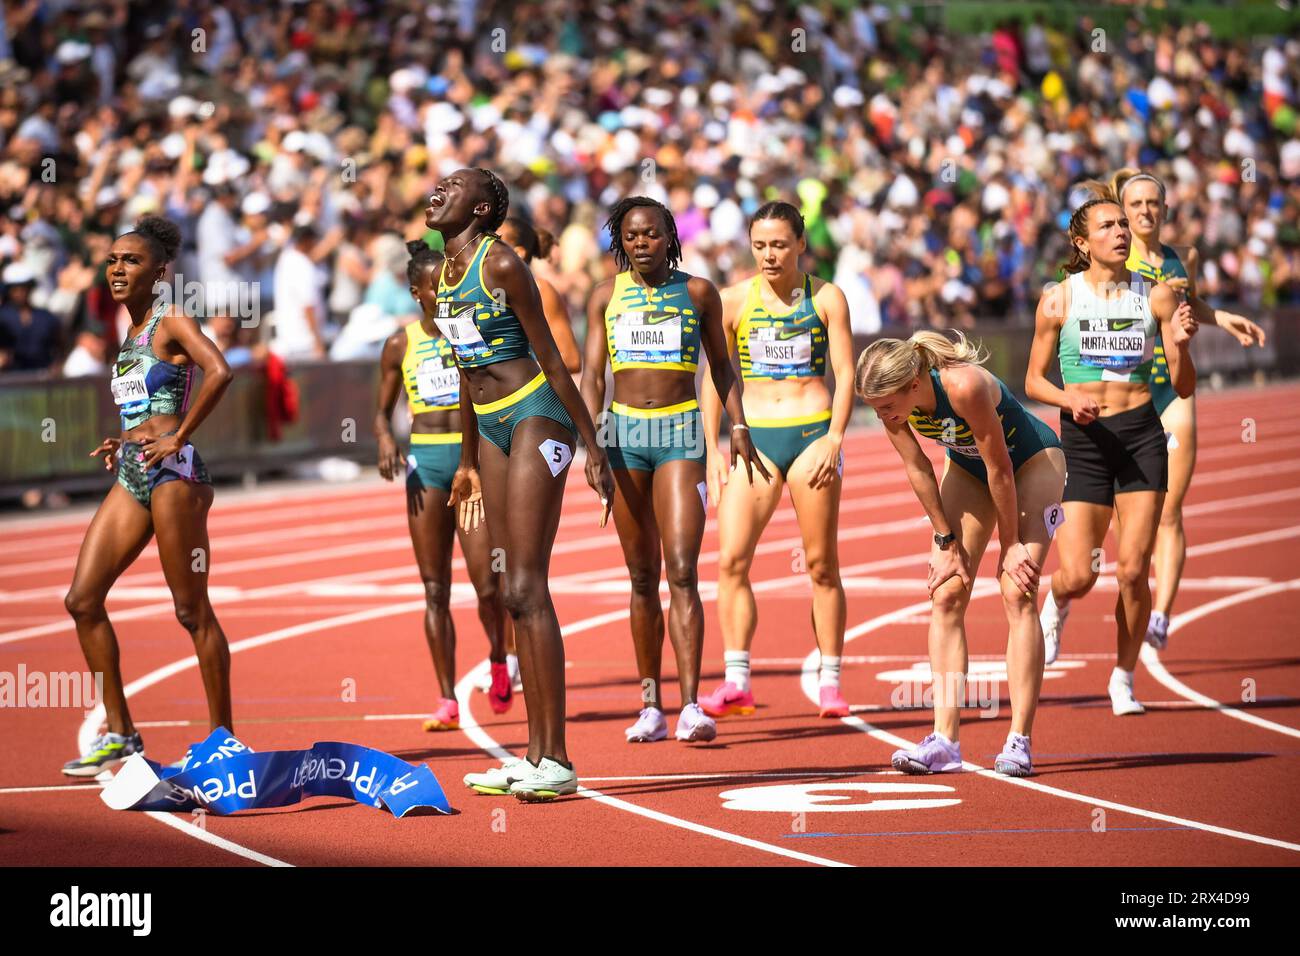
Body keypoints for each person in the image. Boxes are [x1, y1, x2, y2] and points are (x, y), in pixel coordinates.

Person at [426, 168, 613, 801]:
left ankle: (557, 759)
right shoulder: (441, 275)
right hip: (490, 427)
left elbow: (553, 359)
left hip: (538, 413)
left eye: (449, 187)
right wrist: (467, 460)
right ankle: (533, 756)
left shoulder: (501, 264)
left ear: (479, 208)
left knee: (529, 584)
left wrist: (593, 447)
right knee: (508, 590)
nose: (434, 191)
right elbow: (463, 368)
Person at [582, 196, 768, 743]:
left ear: (670, 237)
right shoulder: (603, 297)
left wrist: (738, 426)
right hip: (623, 436)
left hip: (681, 433)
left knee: (682, 568)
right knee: (641, 575)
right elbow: (592, 376)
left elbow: (723, 366)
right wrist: (592, 443)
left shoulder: (698, 292)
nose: (642, 243)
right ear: (621, 242)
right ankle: (650, 705)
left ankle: (690, 706)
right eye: (632, 236)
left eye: (652, 234)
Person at [62, 215, 234, 775]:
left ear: (159, 272)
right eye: (112, 259)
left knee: (191, 611)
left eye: (130, 261)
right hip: (134, 468)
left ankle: (224, 741)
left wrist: (178, 435)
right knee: (82, 600)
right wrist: (126, 436)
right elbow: (144, 400)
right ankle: (122, 733)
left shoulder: (172, 318)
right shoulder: (128, 329)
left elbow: (220, 371)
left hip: (175, 473)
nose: (116, 268)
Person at [856, 332, 1065, 776]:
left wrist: (1009, 548)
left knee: (1017, 590)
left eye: (885, 405)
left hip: (1030, 462)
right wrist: (945, 541)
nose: (883, 415)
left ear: (914, 382)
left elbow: (1001, 470)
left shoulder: (963, 386)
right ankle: (945, 742)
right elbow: (917, 467)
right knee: (947, 593)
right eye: (875, 409)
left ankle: (1019, 740)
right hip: (969, 469)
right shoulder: (893, 406)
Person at [1026, 185, 1199, 716]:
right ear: (1081, 242)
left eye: (1123, 226)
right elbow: (1033, 380)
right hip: (1084, 441)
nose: (1121, 232)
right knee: (1080, 573)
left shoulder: (1157, 297)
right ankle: (1057, 601)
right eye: (1107, 227)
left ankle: (1123, 676)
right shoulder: (1059, 299)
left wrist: (1184, 346)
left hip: (1142, 436)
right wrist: (1067, 396)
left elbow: (1184, 385)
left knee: (1131, 570)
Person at [698, 201, 854, 720]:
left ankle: (830, 680)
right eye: (760, 245)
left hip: (812, 434)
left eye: (780, 244)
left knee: (820, 564)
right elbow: (717, 378)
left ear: (801, 244)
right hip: (754, 439)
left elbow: (846, 372)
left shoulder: (826, 298)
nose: (769, 255)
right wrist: (711, 451)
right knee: (731, 561)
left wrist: (834, 437)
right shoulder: (733, 301)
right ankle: (737, 679)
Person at [1105, 168, 1267, 651]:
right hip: (1126, 391)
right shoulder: (1111, 257)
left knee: (1170, 510)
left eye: (1153, 203)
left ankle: (1160, 614)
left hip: (1172, 390)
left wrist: (1222, 318)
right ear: (1123, 212)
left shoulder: (1184, 257)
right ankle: (1134, 583)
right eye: (1135, 205)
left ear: (1166, 209)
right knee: (1128, 519)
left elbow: (1189, 301)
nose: (1145, 212)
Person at [374, 240, 512, 732]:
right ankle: (446, 696)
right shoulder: (400, 344)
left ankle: (499, 657)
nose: (448, 292)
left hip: (469, 465)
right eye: (439, 288)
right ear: (417, 293)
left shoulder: (467, 330)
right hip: (426, 467)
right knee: (435, 588)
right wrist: (385, 438)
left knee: (488, 587)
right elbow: (380, 408)